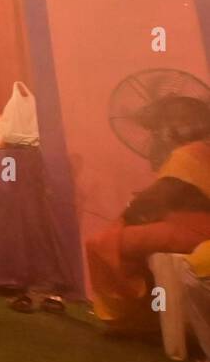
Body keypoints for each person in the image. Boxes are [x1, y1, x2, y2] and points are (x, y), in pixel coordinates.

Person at [84, 99, 210, 332]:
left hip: (191, 230)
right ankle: (146, 311)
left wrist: (131, 213)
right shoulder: (197, 152)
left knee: (101, 243)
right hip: (187, 227)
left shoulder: (189, 154)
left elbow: (164, 194)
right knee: (128, 239)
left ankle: (125, 313)